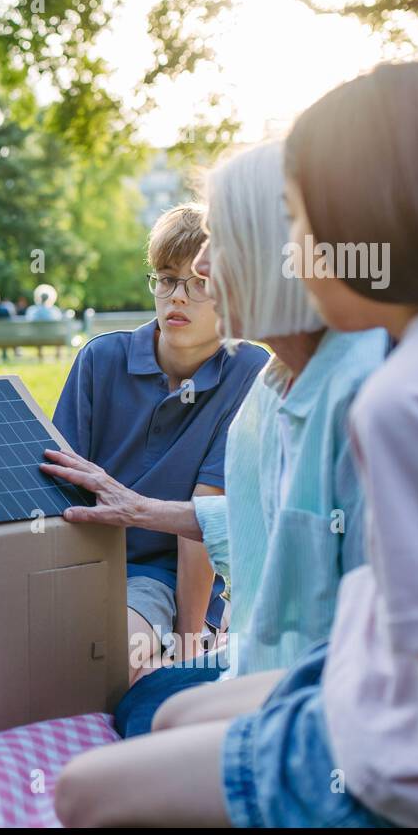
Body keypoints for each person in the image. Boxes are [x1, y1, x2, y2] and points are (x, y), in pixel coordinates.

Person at [53, 62, 418, 827]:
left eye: (301, 215)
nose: (206, 268)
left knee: (85, 787)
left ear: (375, 215)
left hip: (388, 762)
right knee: (164, 712)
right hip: (368, 700)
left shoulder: (406, 393)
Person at [46, 142, 388, 737]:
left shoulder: (340, 387)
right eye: (170, 276)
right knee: (145, 705)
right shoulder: (273, 388)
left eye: (219, 242)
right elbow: (251, 526)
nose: (198, 271)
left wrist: (192, 632)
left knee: (123, 731)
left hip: (325, 698)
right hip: (266, 662)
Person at [52, 203, 268, 686]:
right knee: (42, 654)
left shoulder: (247, 371)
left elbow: (202, 527)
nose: (179, 297)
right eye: (167, 279)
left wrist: (190, 654)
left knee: (108, 657)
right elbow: (57, 480)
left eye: (199, 283)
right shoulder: (101, 359)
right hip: (85, 563)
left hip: (162, 578)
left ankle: (164, 677)